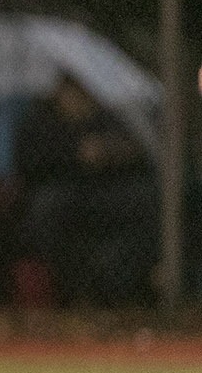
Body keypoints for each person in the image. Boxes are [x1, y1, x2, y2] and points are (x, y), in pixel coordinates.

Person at [10, 72, 157, 308]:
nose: (75, 99)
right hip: (61, 200)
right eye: (70, 92)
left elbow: (140, 154)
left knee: (145, 208)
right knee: (45, 211)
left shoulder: (113, 119)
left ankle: (117, 291)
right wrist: (73, 154)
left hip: (108, 196)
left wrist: (109, 153)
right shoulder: (41, 123)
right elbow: (29, 163)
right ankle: (61, 292)